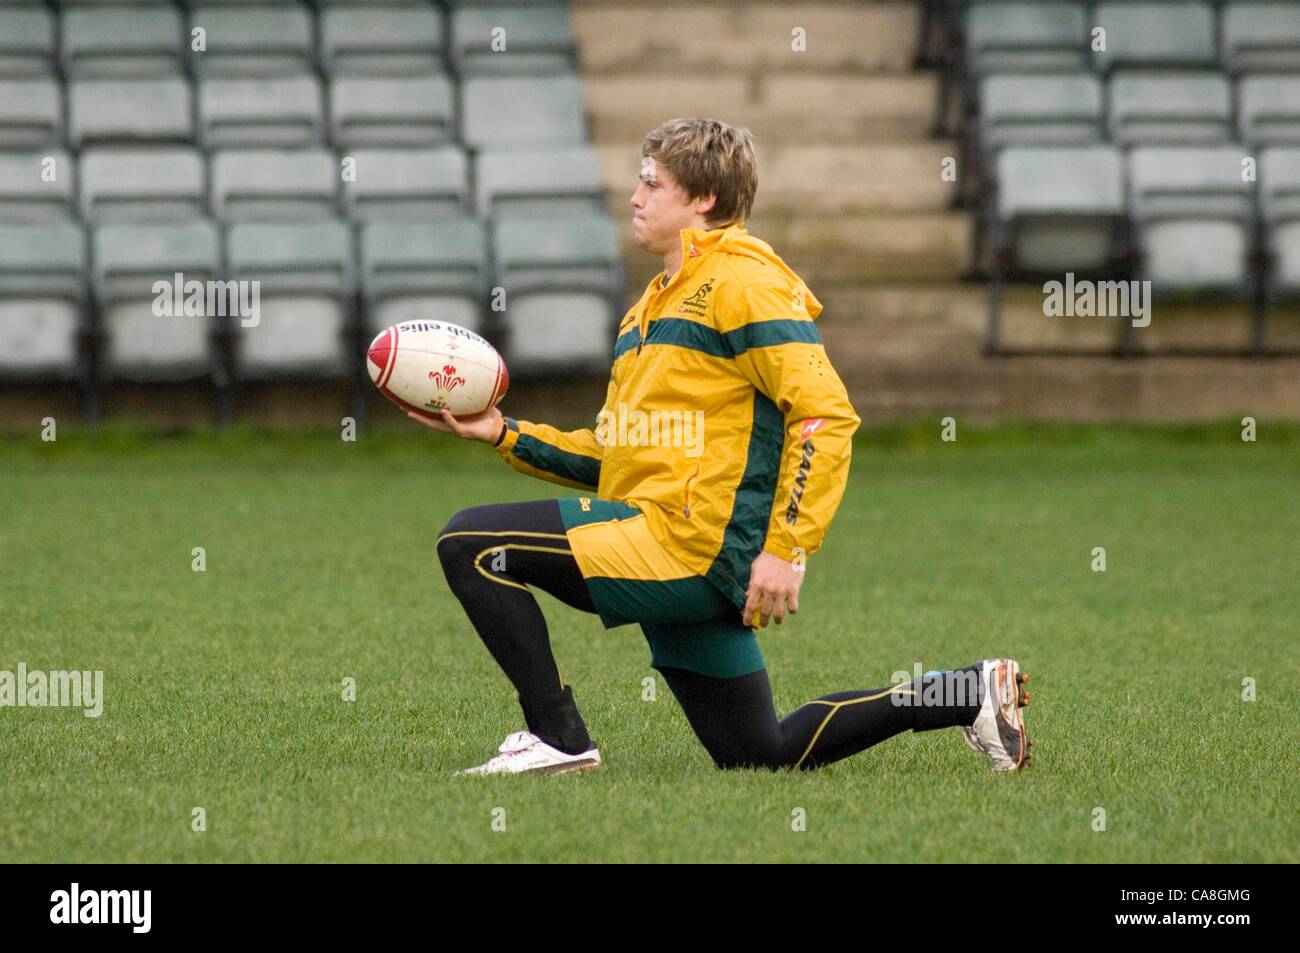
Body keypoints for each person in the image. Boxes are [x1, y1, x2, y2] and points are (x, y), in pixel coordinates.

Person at [415, 118, 1032, 775]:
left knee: (472, 543)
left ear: (703, 199)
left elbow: (824, 415)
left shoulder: (744, 284)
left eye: (652, 183)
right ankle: (968, 690)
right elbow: (620, 452)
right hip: (665, 543)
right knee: (759, 754)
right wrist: (505, 432)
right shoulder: (650, 307)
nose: (635, 196)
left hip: (685, 544)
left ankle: (557, 737)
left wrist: (787, 548)